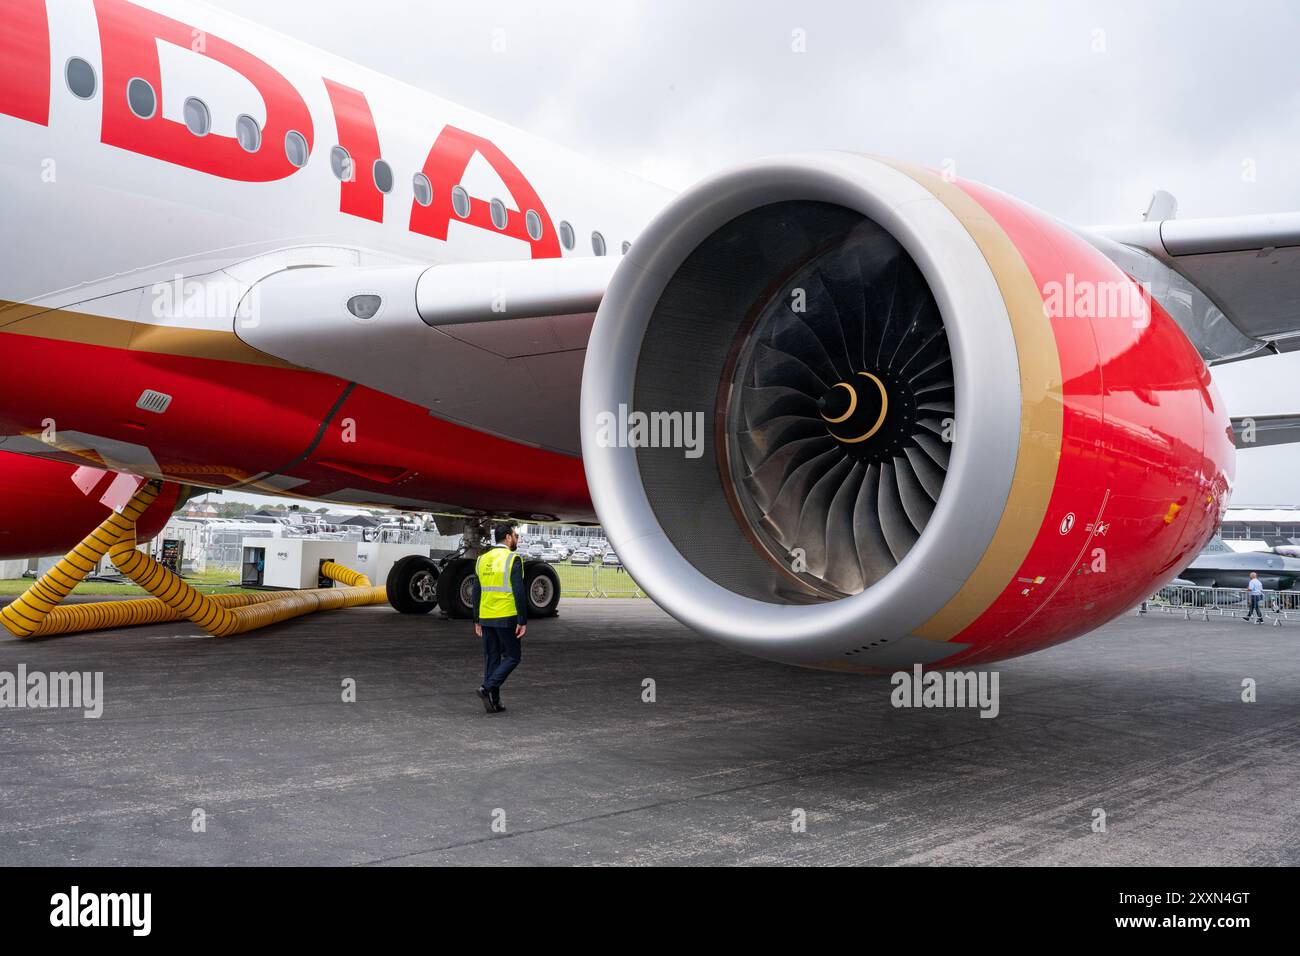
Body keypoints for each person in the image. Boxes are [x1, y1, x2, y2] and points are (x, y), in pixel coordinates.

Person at [473, 521, 527, 713]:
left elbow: (476, 591)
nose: (516, 539)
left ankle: (494, 701)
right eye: (516, 536)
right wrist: (522, 620)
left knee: (492, 658)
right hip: (506, 615)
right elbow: (519, 592)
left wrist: (476, 619)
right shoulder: (513, 559)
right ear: (507, 537)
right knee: (513, 656)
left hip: (486, 615)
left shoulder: (482, 559)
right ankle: (486, 688)